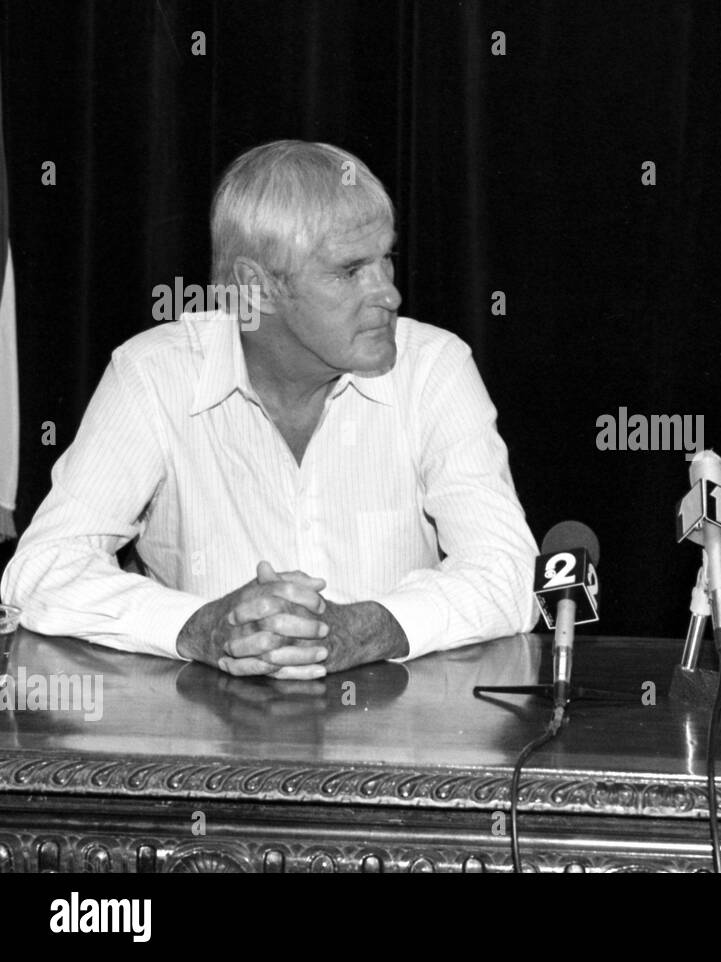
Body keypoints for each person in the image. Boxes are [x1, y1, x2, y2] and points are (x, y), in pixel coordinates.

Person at [1, 140, 539, 679]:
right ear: (255, 288)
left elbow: (509, 573)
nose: (389, 294)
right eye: (351, 270)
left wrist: (373, 626)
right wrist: (200, 627)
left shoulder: (434, 369)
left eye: (386, 259)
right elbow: (44, 569)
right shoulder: (154, 375)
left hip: (395, 737)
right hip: (202, 746)